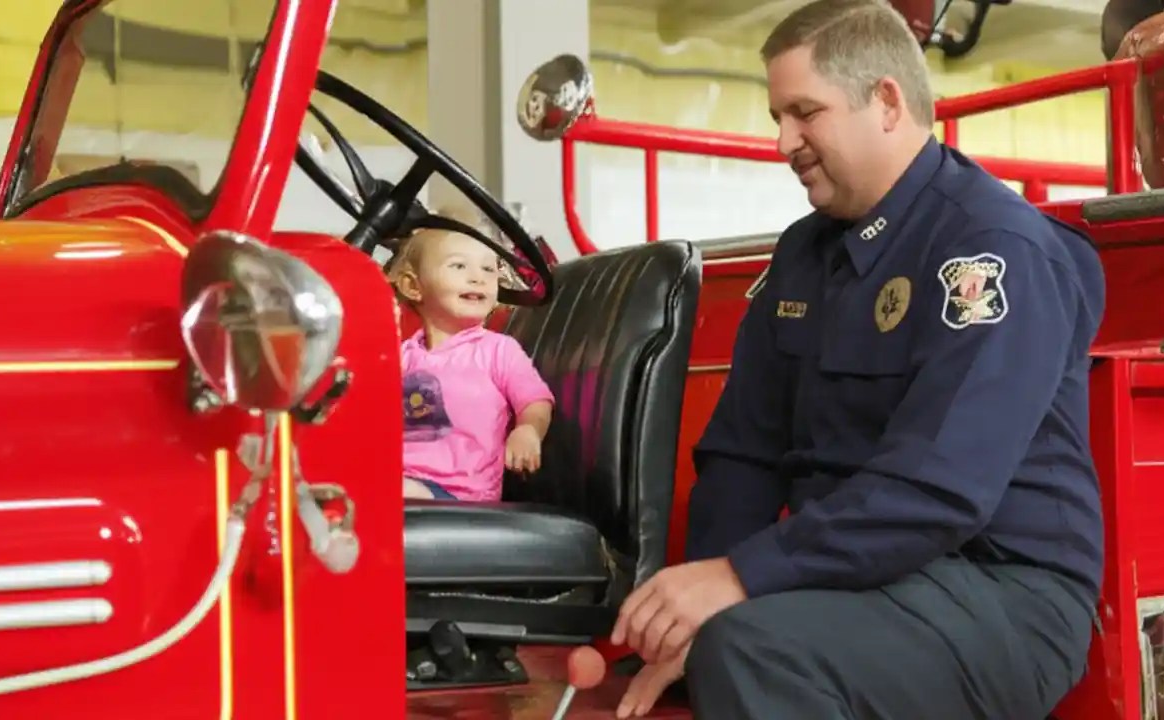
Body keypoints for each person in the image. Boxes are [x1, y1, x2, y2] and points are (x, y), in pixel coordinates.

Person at [610, 0, 1106, 717]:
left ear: (886, 101)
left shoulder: (991, 250)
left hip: (998, 590)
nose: (784, 140)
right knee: (700, 638)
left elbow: (939, 490)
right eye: (777, 115)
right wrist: (695, 601)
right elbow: (742, 454)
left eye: (805, 112)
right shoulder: (802, 256)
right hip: (849, 579)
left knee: (752, 651)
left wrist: (740, 579)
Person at [389, 211, 554, 501]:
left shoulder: (498, 350)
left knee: (380, 494)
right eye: (459, 266)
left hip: (458, 494)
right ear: (413, 286)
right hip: (399, 479)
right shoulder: (402, 356)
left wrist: (528, 430)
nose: (478, 278)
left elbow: (535, 400)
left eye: (489, 270)